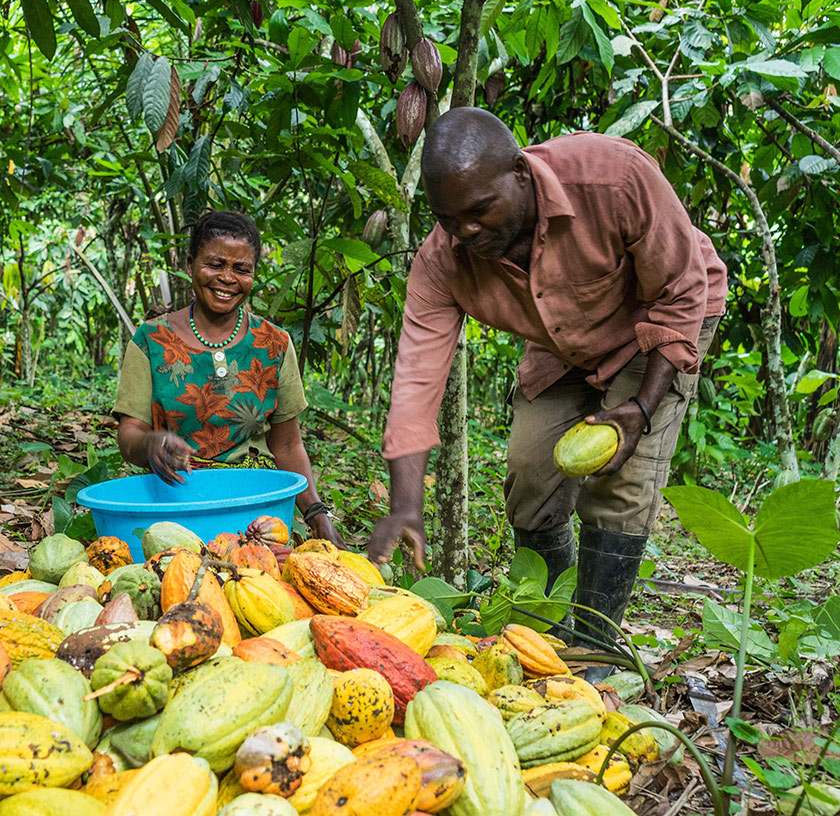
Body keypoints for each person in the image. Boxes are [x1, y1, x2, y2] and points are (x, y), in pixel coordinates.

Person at [368, 108, 726, 658]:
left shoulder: (613, 177)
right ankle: (553, 627)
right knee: (530, 473)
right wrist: (406, 506)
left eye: (479, 210)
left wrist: (640, 410)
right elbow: (416, 382)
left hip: (657, 324)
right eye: (447, 218)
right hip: (561, 344)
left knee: (620, 480)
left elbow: (680, 292)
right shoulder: (442, 262)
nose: (465, 231)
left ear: (520, 172)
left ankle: (594, 648)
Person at [114, 210, 343, 547]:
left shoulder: (274, 344)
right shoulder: (151, 341)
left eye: (241, 269)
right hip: (175, 504)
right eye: (215, 264)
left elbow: (287, 445)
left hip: (256, 511)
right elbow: (129, 434)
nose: (227, 278)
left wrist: (317, 514)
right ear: (190, 265)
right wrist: (151, 445)